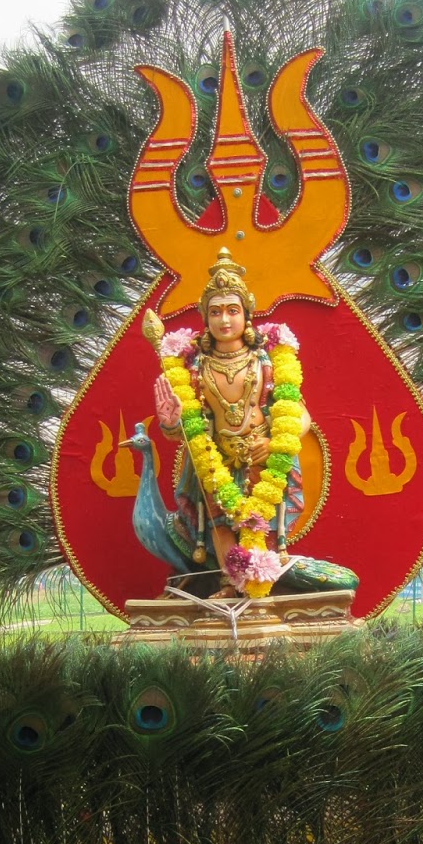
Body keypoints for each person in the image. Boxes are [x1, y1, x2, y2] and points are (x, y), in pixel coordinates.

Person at [145, 249, 309, 590]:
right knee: (218, 524)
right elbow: (183, 430)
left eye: (232, 310)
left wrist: (276, 443)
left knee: (260, 522)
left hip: (262, 454)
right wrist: (171, 422)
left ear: (246, 315)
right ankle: (232, 585)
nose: (224, 320)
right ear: (206, 318)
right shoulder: (195, 366)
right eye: (215, 312)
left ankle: (260, 587)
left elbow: (301, 416)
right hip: (214, 457)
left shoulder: (267, 361)